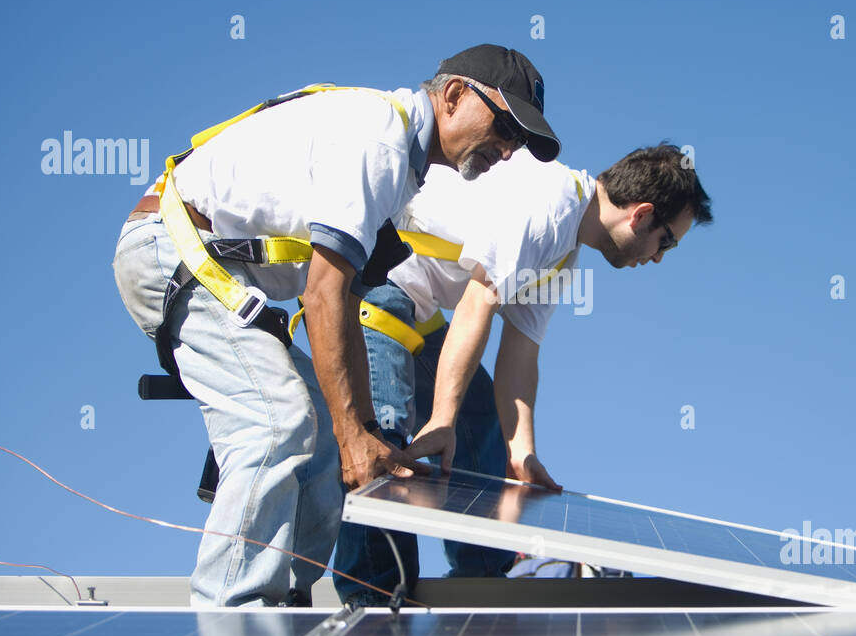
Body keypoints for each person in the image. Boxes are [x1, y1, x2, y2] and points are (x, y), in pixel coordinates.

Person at [112, 45, 559, 607]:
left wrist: (362, 430)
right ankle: (234, 616)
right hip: (171, 254)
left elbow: (344, 301)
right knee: (277, 421)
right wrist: (354, 441)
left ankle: (286, 602)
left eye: (520, 141)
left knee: (323, 424)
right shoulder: (380, 140)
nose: (508, 148)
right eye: (504, 125)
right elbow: (322, 295)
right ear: (452, 96)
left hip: (212, 267)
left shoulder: (402, 176)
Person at [333, 144, 712, 606]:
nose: (658, 258)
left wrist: (521, 452)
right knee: (386, 441)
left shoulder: (564, 249)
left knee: (484, 434)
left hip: (421, 311)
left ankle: (481, 581)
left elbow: (520, 352)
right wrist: (442, 416)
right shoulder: (551, 206)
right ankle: (370, 605)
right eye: (667, 241)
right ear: (642, 214)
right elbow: (478, 304)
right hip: (377, 290)